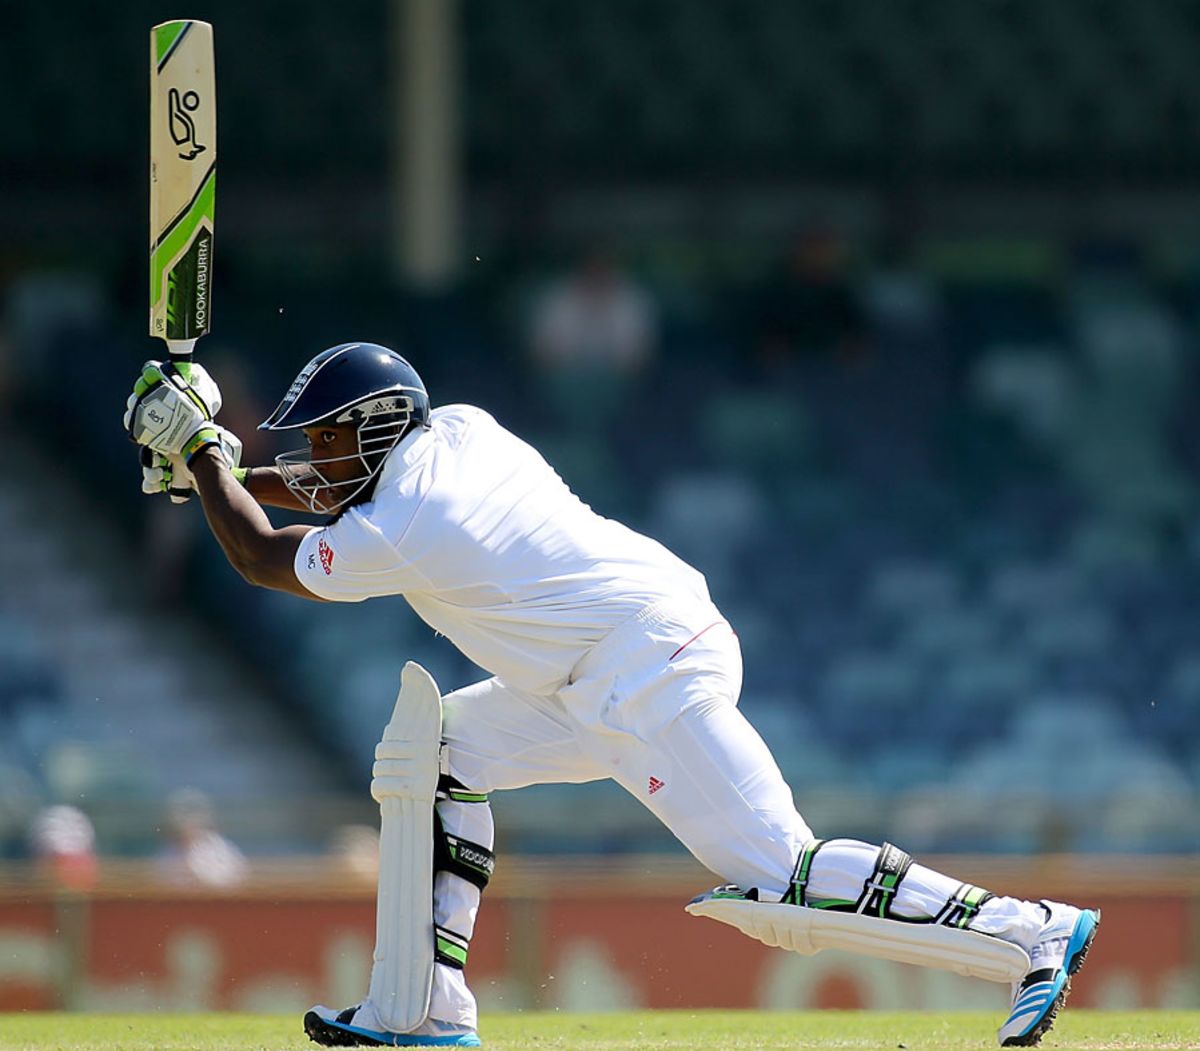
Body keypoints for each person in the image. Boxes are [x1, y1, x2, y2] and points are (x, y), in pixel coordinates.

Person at [124, 343, 1098, 1048]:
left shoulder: (412, 519)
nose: (317, 460)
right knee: (435, 754)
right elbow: (326, 493)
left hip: (645, 668)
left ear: (378, 431)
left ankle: (1030, 931)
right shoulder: (452, 430)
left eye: (330, 440)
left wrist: (204, 453)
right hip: (595, 666)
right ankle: (423, 1006)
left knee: (783, 883)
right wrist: (202, 466)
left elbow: (259, 552)